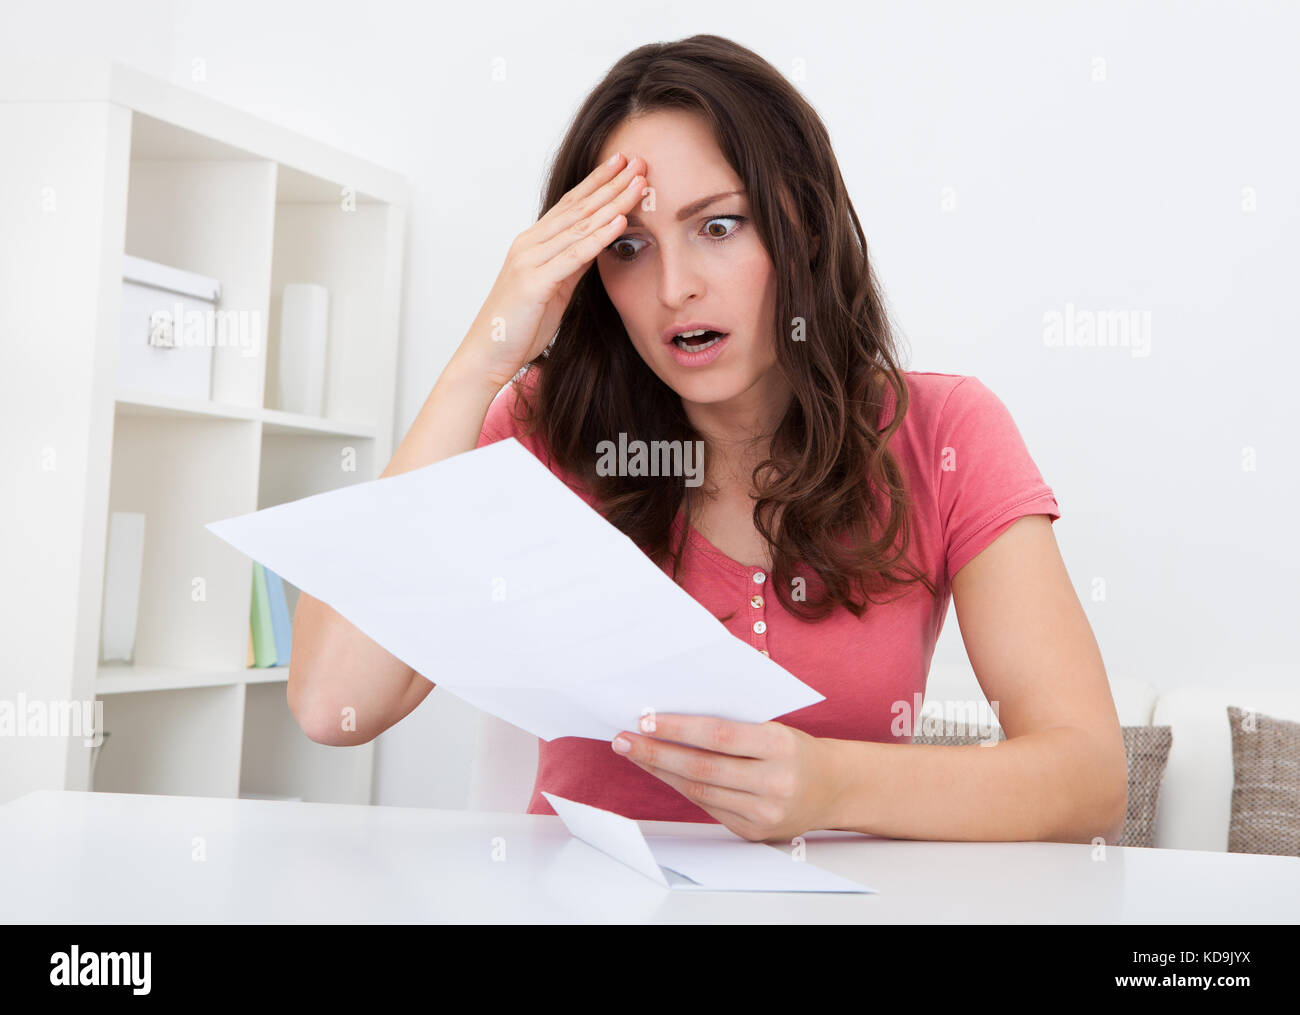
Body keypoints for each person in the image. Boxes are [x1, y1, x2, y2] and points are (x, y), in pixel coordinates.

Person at [289, 34, 1128, 845]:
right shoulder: (545, 432)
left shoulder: (946, 435)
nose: (675, 288)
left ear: (800, 225)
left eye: (718, 227)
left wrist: (833, 784)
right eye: (627, 246)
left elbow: (1089, 777)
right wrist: (484, 357)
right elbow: (334, 702)